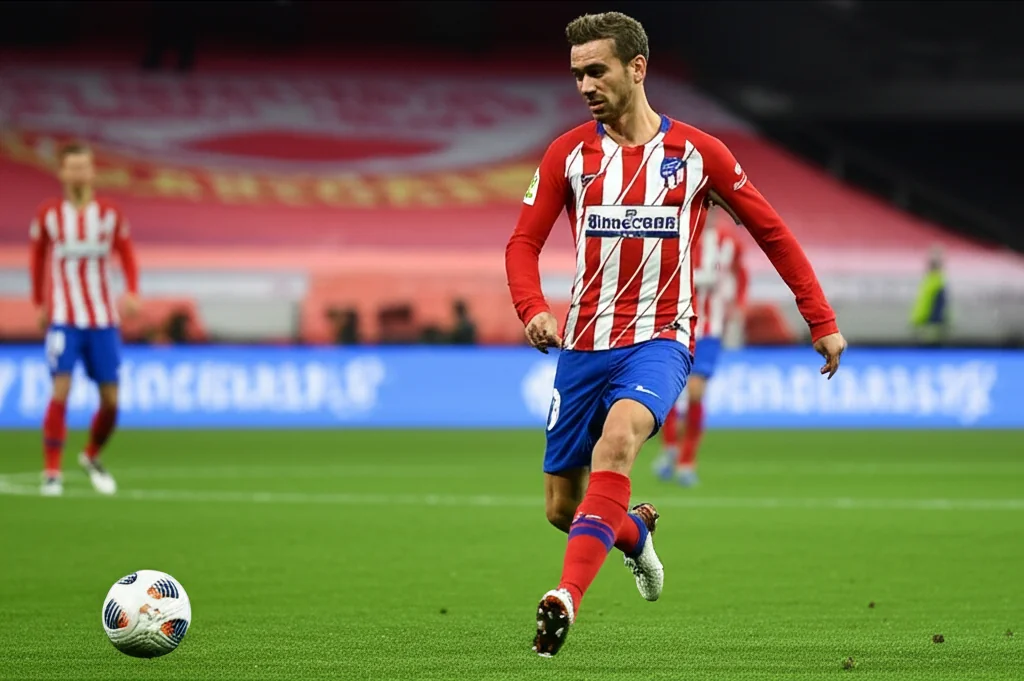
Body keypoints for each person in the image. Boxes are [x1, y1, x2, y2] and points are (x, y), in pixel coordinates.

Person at [504, 11, 846, 657]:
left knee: (619, 441)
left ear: (637, 68)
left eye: (597, 70)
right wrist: (532, 308)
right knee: (562, 509)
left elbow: (772, 232)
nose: (585, 86)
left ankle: (566, 597)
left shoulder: (698, 154)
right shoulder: (567, 154)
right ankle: (634, 535)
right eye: (577, 74)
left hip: (662, 339)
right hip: (583, 344)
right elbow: (522, 242)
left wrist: (820, 318)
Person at [30, 143, 140, 497]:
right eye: (72, 167)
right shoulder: (49, 214)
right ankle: (51, 472)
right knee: (60, 389)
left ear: (93, 172)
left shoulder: (109, 214)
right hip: (64, 318)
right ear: (62, 172)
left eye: (84, 167)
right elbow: (37, 259)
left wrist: (132, 291)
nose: (79, 173)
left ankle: (91, 455)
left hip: (103, 320)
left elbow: (127, 254)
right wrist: (39, 303)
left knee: (111, 400)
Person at [654, 214, 747, 486]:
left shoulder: (729, 241)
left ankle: (686, 461)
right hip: (677, 324)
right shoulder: (678, 231)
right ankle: (670, 446)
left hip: (710, 330)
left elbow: (741, 274)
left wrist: (739, 305)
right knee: (669, 390)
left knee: (695, 391)